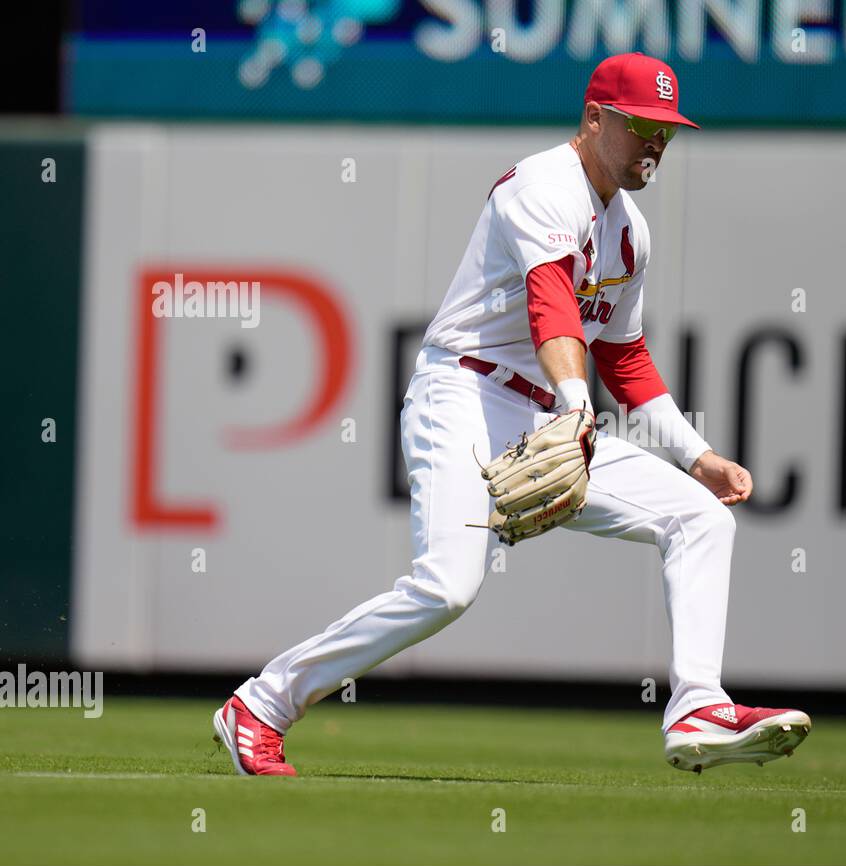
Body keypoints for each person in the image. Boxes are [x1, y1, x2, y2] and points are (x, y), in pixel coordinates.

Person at [212, 52, 811, 777]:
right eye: (642, 125)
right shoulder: (542, 184)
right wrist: (577, 407)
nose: (656, 144)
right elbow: (550, 307)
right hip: (463, 395)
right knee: (447, 586)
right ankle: (262, 703)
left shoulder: (631, 231)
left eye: (667, 131)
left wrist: (696, 455)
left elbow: (623, 355)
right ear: (595, 119)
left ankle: (697, 706)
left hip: (548, 414)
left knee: (702, 517)